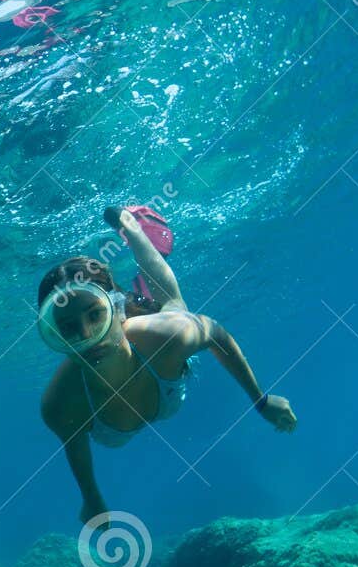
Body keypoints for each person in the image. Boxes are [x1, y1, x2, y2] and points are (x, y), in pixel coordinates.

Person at [38, 206, 297, 523]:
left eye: (95, 315)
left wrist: (260, 400)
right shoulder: (60, 403)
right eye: (68, 328)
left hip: (154, 340)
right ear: (53, 336)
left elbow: (215, 334)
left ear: (117, 310)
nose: (88, 336)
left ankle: (131, 226)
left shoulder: (168, 336)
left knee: (172, 303)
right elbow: (74, 446)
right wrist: (92, 499)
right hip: (145, 348)